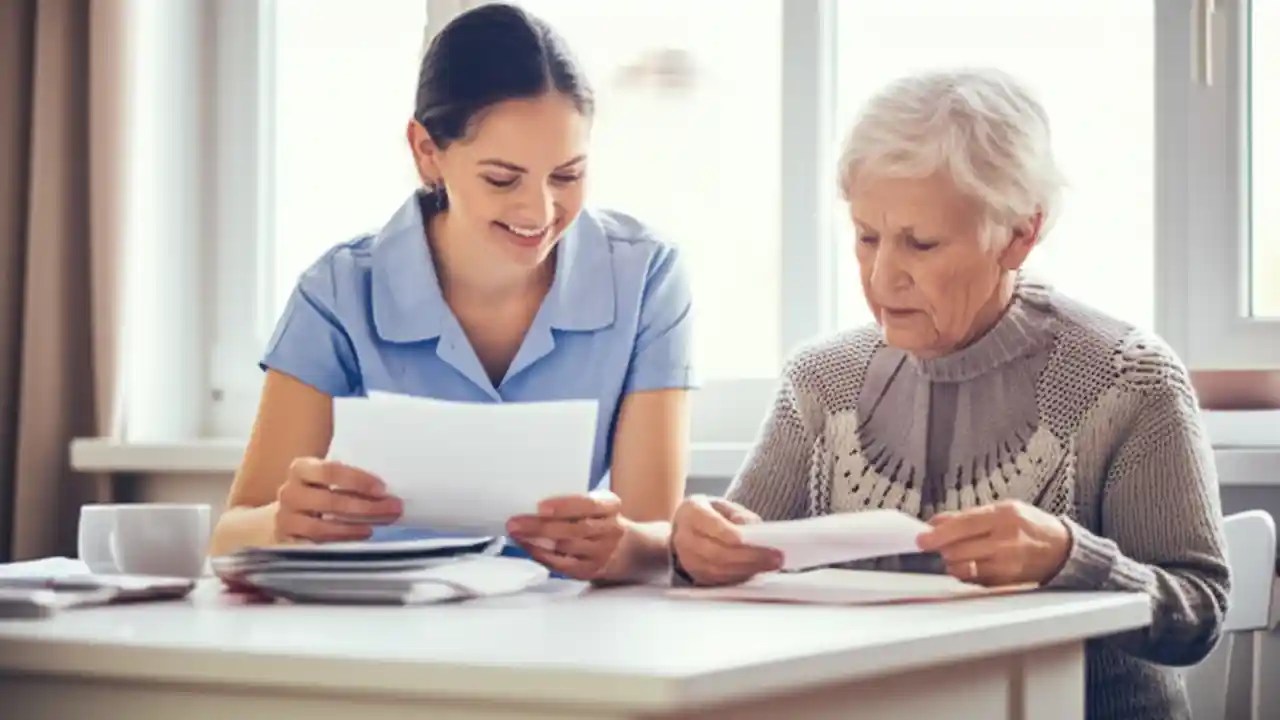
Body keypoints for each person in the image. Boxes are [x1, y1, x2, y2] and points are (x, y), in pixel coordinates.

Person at [669, 69, 1229, 720]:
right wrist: (694, 553)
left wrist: (1070, 559)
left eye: (921, 243)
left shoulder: (1128, 381)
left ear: (1021, 232)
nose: (881, 277)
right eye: (866, 236)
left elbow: (1199, 614)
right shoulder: (820, 382)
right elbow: (728, 566)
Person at [208, 3, 695, 584]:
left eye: (567, 175)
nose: (540, 211)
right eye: (501, 178)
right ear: (427, 153)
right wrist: (284, 524)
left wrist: (620, 546)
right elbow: (229, 538)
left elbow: (651, 532)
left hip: (567, 632)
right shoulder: (338, 291)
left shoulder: (647, 277)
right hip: (381, 624)